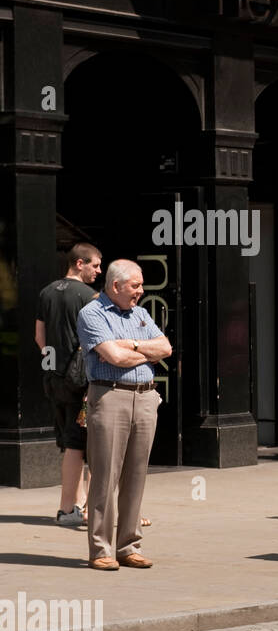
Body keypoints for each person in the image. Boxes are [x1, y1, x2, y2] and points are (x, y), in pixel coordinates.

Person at [76, 259, 171, 571]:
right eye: (135, 286)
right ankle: (101, 549)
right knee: (105, 475)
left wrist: (130, 344)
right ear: (115, 286)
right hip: (109, 395)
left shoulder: (141, 314)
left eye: (141, 285)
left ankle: (128, 546)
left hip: (145, 397)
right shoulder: (92, 314)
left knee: (136, 475)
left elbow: (166, 348)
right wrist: (144, 352)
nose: (141, 292)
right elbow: (112, 356)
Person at [35, 242, 101, 526]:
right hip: (81, 381)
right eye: (95, 265)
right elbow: (97, 341)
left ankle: (76, 506)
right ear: (79, 263)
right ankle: (74, 509)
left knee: (70, 444)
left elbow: (40, 337)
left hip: (53, 378)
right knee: (83, 445)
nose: (98, 271)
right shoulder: (90, 296)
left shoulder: (46, 292)